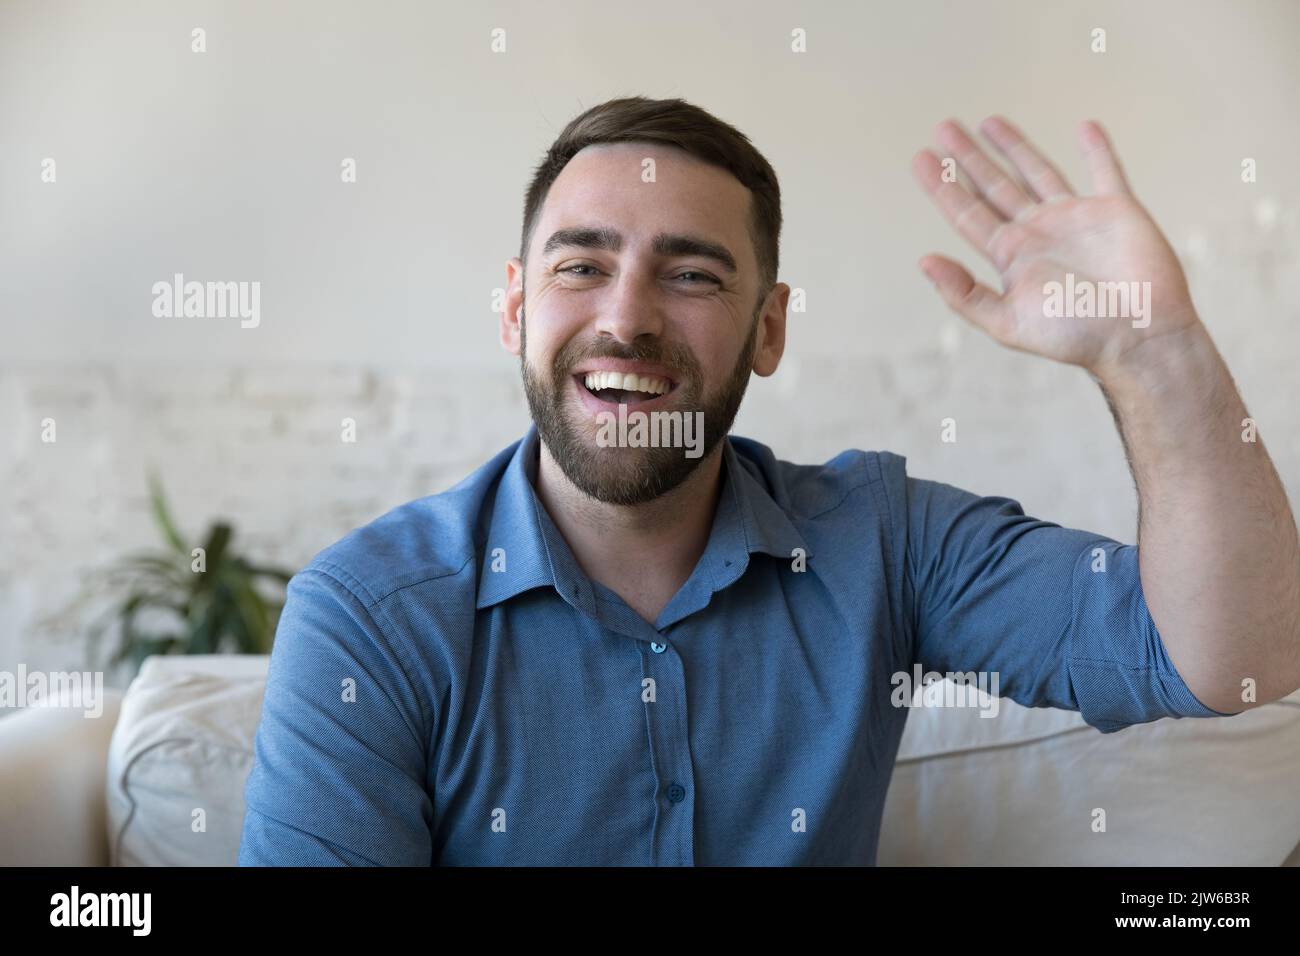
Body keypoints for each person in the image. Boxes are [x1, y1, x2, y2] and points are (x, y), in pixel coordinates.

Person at [238, 96, 1299, 866]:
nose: (627, 317)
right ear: (516, 309)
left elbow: (1235, 662)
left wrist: (1153, 351)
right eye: (580, 265)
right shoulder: (369, 615)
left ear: (769, 328)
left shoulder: (881, 542)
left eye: (692, 272)